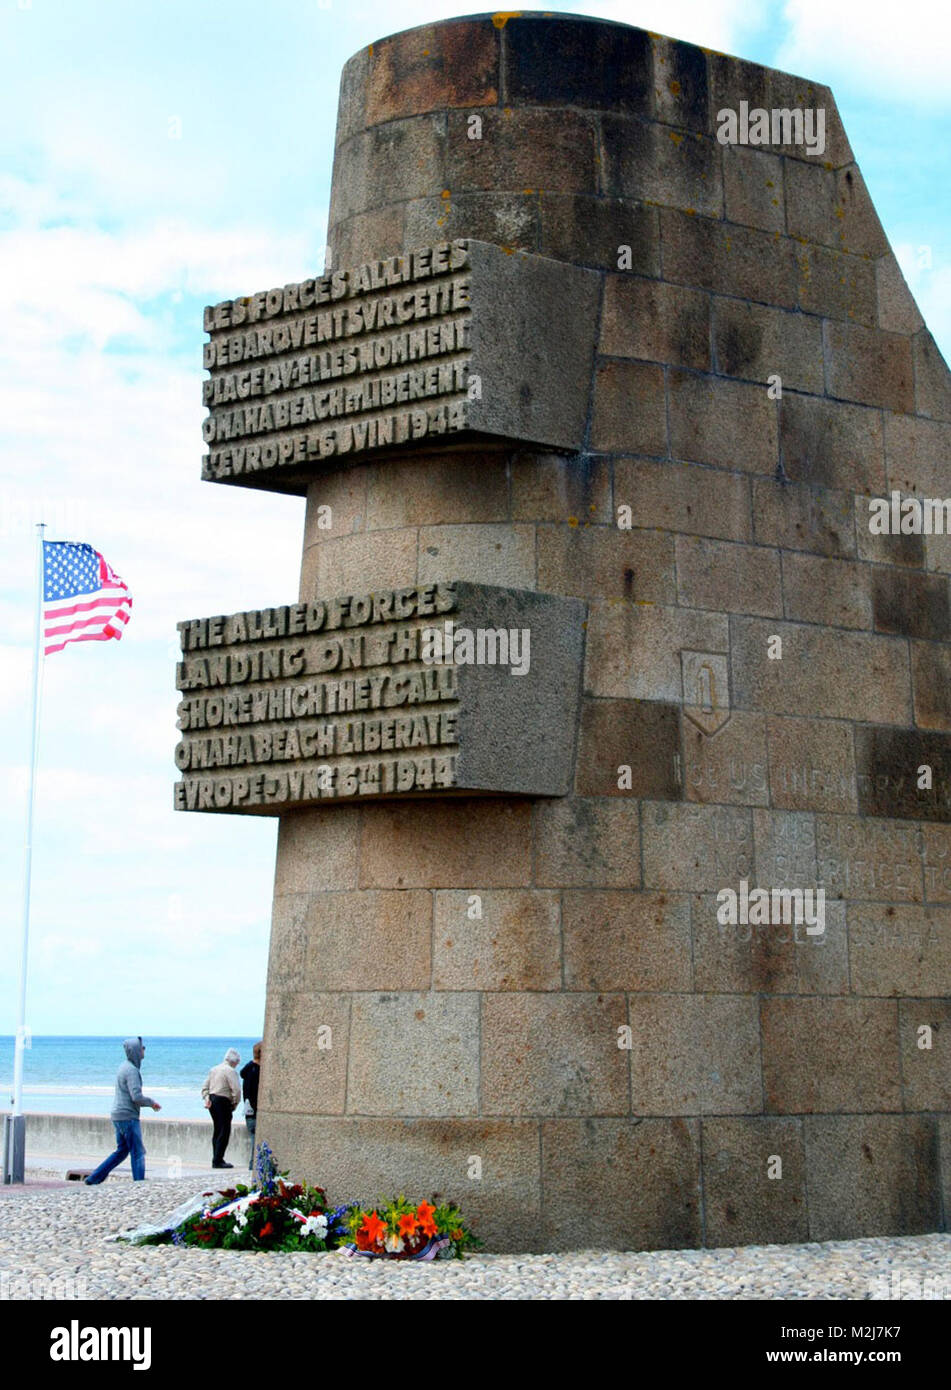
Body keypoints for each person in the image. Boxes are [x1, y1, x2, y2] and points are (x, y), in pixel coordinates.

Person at [84, 1037, 161, 1184]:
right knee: (138, 1152)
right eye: (142, 1047)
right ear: (136, 1051)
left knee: (121, 1151)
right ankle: (139, 1183)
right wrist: (151, 1103)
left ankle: (94, 1178)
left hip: (118, 1115)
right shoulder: (132, 1071)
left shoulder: (123, 1067)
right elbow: (136, 1097)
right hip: (128, 1117)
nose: (144, 1050)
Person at [202, 1048, 241, 1168]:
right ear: (234, 1062)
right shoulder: (230, 1071)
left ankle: (216, 1157)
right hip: (223, 1100)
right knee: (224, 1131)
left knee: (217, 1130)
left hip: (213, 1100)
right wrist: (235, 1104)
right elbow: (237, 1090)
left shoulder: (214, 1069)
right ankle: (218, 1159)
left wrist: (207, 1098)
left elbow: (205, 1087)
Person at [240, 1042, 262, 1172]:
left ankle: (253, 1164)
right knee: (255, 1138)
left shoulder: (249, 1070)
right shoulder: (255, 1071)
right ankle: (253, 1164)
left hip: (249, 1110)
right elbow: (253, 1093)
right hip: (254, 1111)